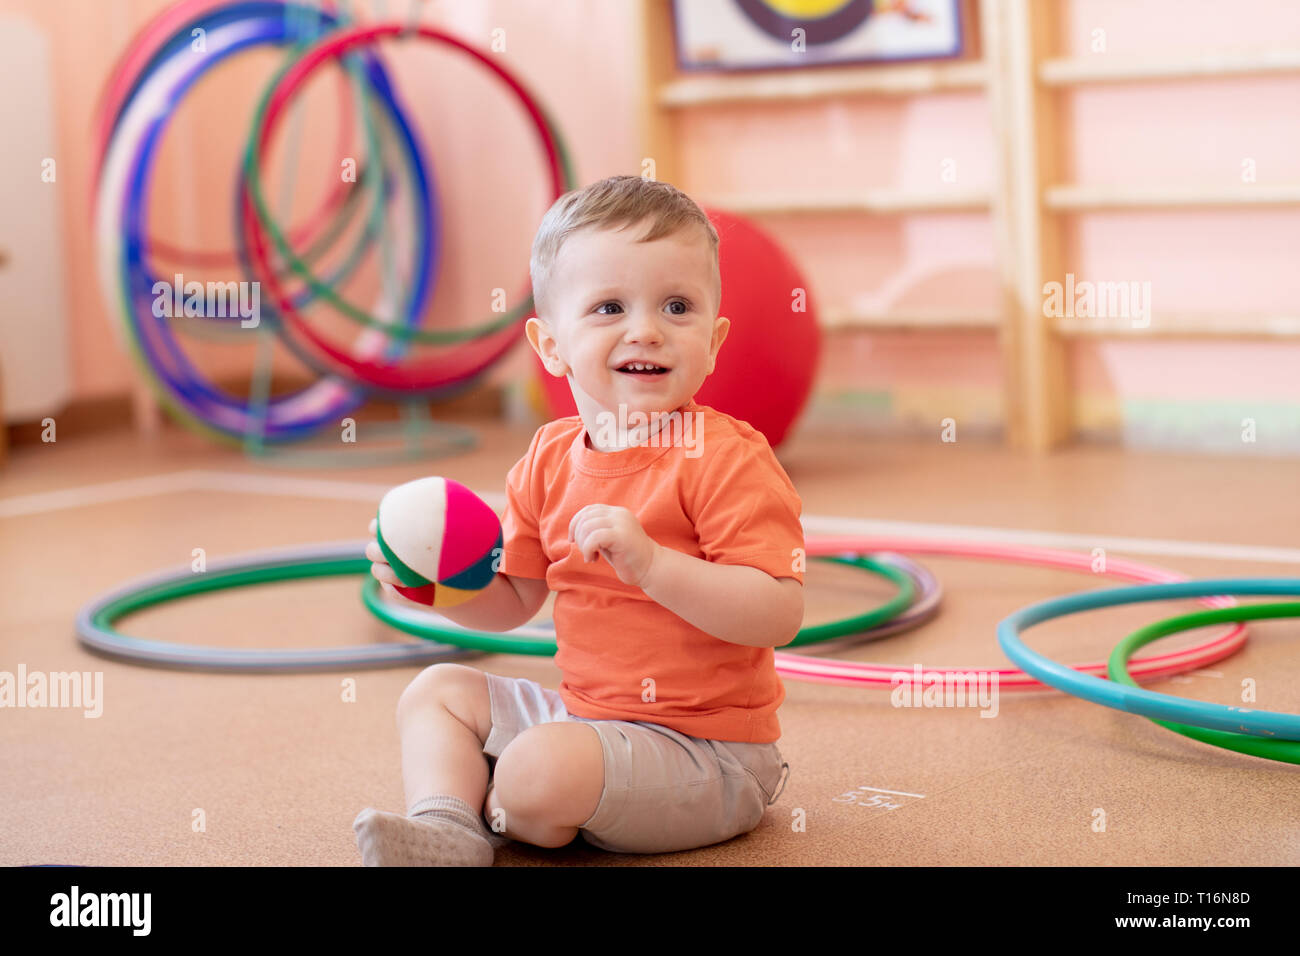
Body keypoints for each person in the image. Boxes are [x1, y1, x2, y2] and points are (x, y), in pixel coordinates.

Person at [353, 175, 805, 866]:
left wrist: (653, 566)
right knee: (436, 692)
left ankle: (512, 798)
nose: (646, 329)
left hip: (708, 751)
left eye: (677, 306)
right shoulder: (547, 458)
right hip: (588, 721)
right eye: (609, 307)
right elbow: (513, 599)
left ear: (713, 341)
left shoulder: (725, 457)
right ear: (550, 346)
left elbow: (778, 612)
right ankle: (449, 828)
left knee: (535, 771)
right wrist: (431, 586)